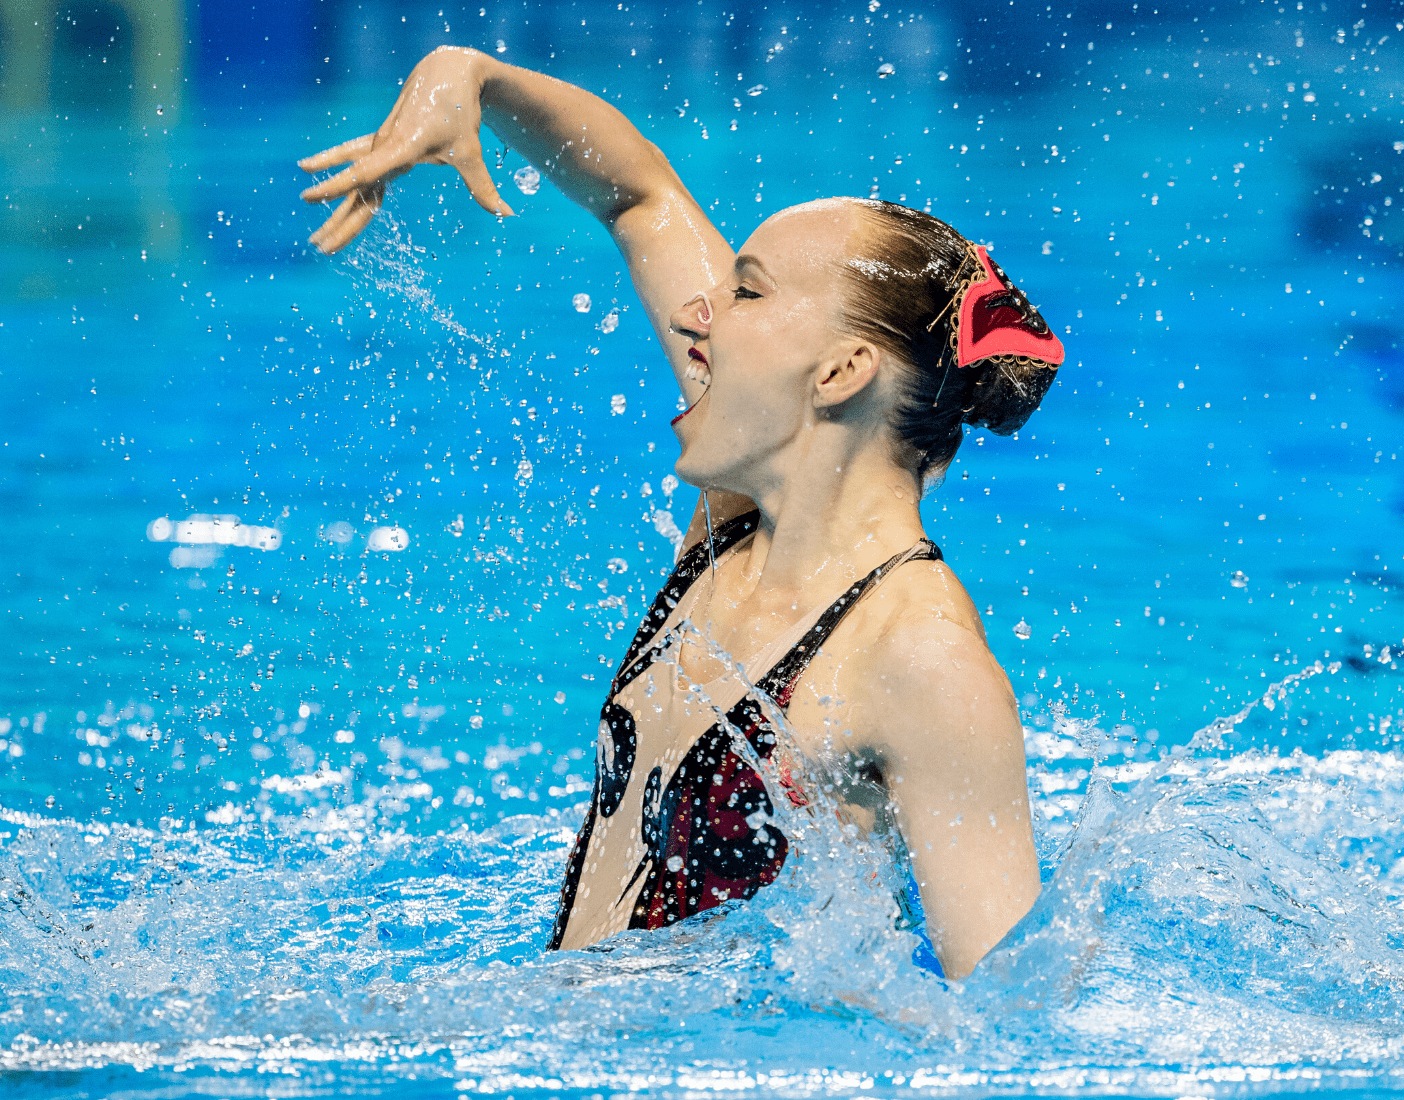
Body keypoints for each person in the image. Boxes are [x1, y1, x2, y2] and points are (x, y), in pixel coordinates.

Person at [299, 46, 1064, 981]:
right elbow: (640, 196)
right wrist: (470, 79)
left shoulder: (922, 660)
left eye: (746, 291)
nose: (700, 315)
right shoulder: (737, 521)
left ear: (838, 373)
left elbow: (1010, 1013)